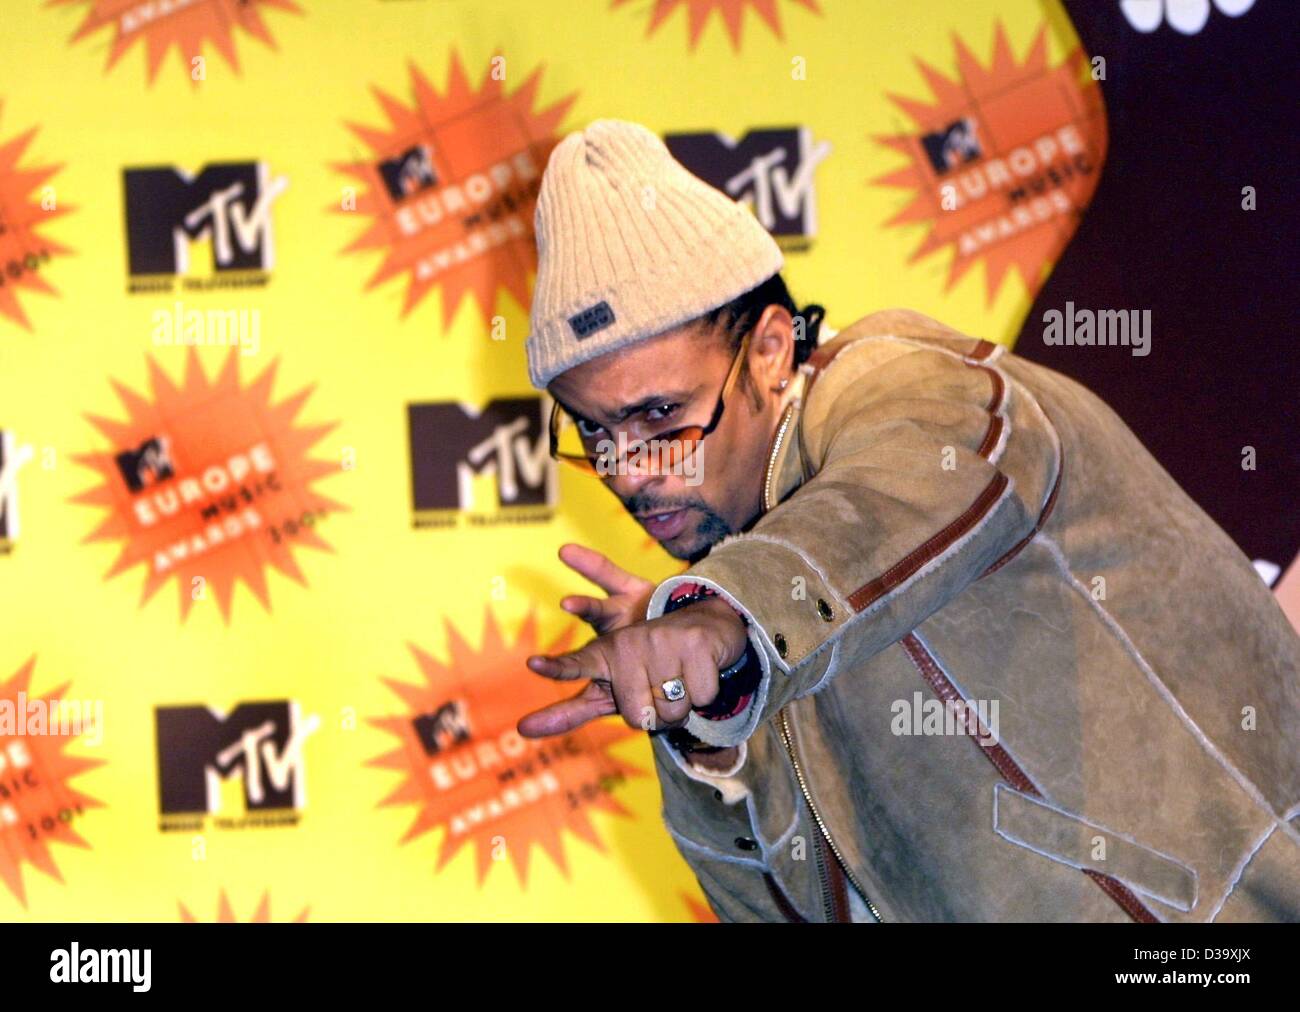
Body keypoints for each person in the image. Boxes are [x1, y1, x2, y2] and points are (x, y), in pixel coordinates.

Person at [515, 118, 1300, 922]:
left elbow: (899, 492)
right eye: (594, 432)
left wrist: (728, 617)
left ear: (772, 351)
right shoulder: (761, 593)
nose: (632, 471)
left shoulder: (906, 382)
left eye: (660, 414)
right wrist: (707, 731)